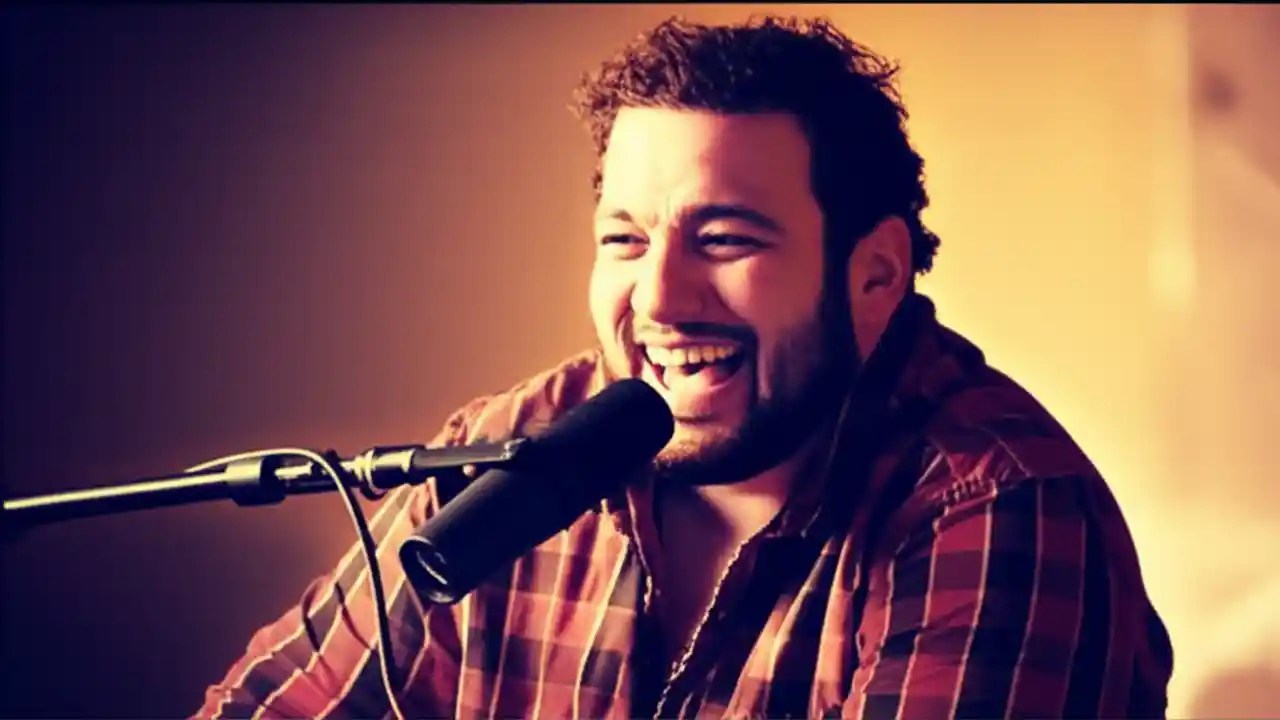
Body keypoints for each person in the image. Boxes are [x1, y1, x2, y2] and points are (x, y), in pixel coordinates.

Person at [195, 15, 1173, 720]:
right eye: (623, 240)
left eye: (724, 239)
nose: (657, 299)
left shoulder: (1001, 509)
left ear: (873, 275)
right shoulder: (509, 447)